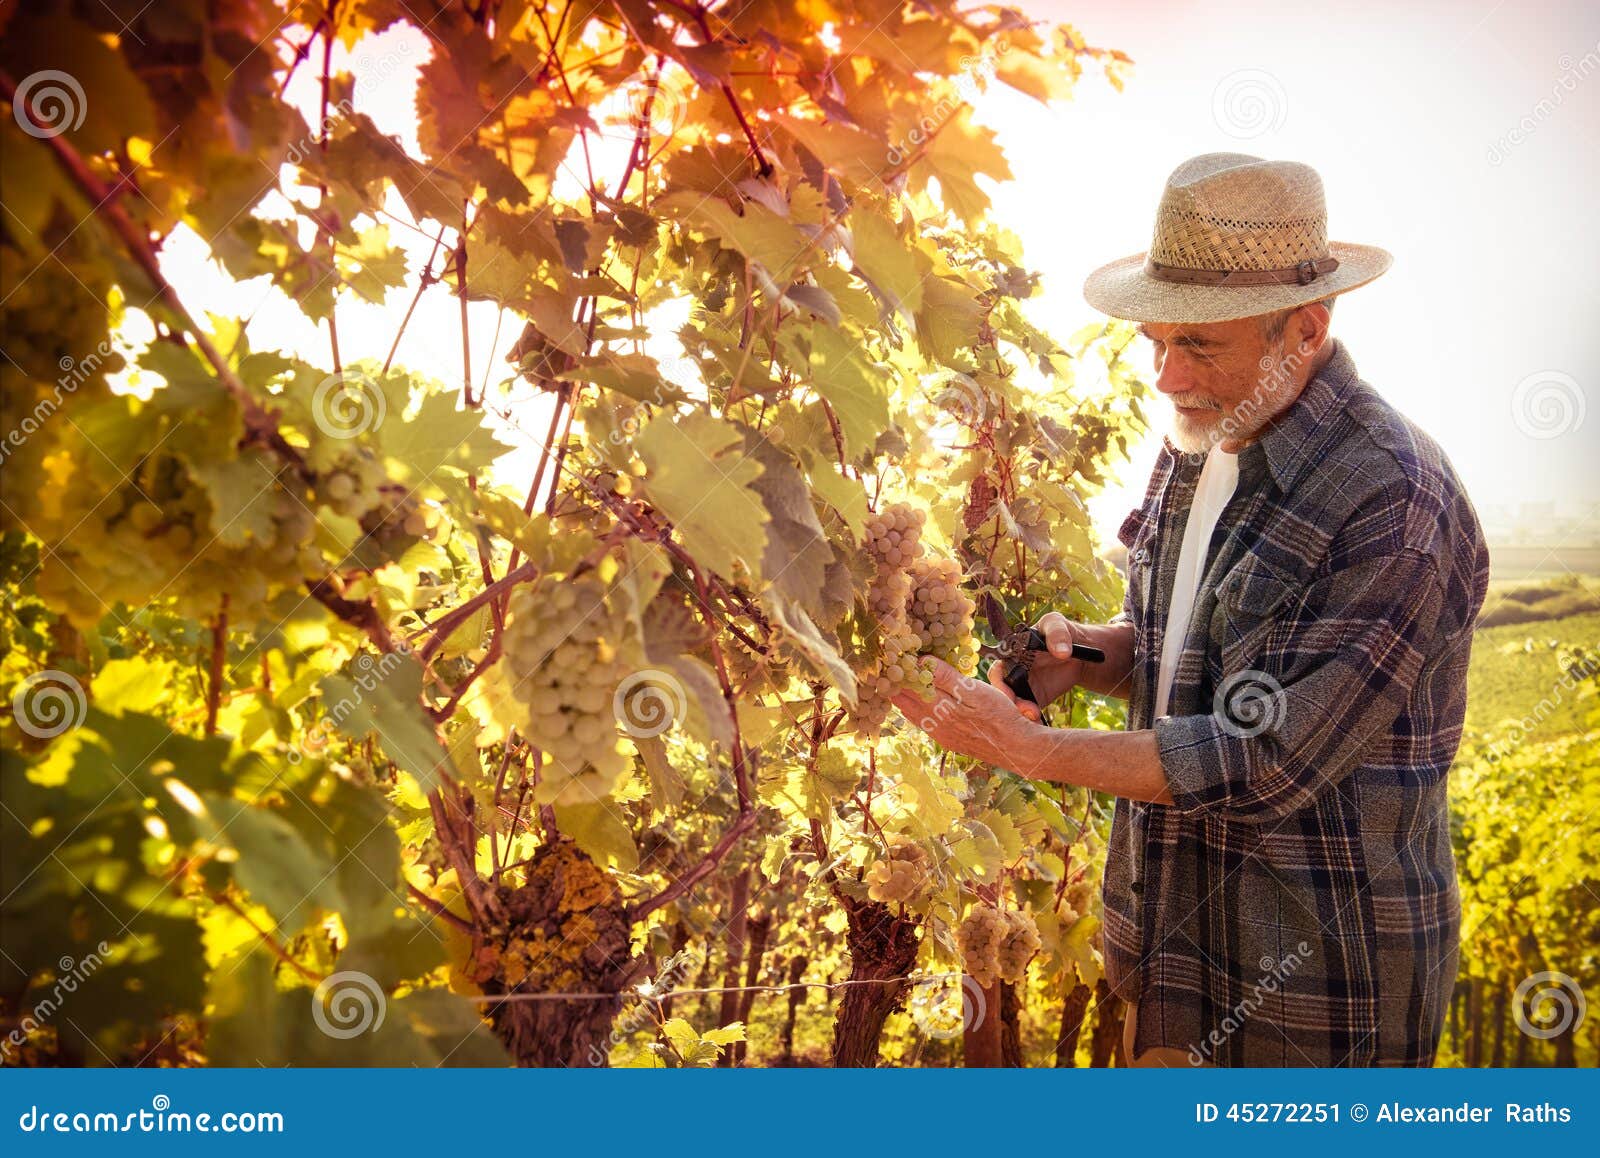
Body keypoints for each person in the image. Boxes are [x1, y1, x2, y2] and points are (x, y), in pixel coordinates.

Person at [893, 153, 1490, 1067]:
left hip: (1316, 996)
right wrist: (1096, 653)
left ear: (1306, 328)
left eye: (1199, 344)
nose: (1167, 377)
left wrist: (1031, 749)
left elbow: (1269, 758)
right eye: (1157, 343)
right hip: (1169, 956)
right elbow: (1188, 635)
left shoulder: (1395, 500)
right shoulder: (1206, 437)